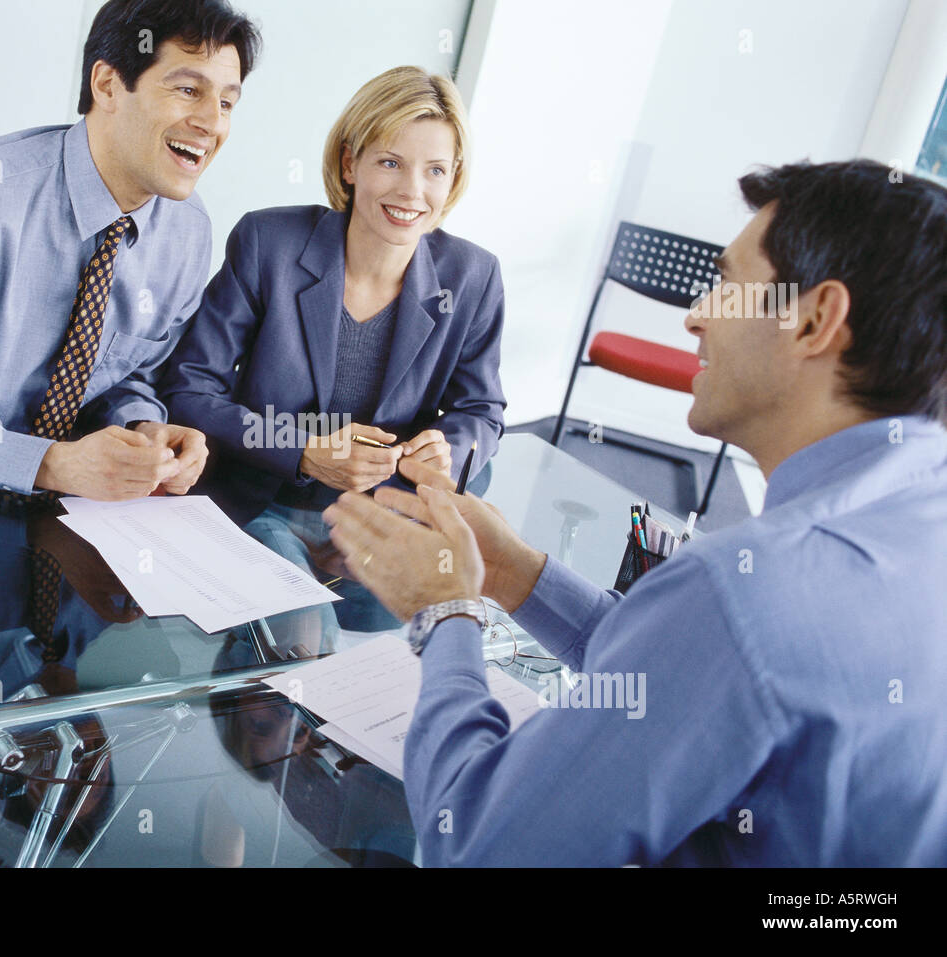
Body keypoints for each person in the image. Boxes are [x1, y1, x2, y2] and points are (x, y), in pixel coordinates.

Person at [322, 159, 947, 866]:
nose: (694, 316)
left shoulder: (741, 589)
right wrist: (516, 574)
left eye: (728, 286)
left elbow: (474, 846)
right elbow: (698, 673)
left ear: (815, 320)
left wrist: (447, 613)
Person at [0, 0, 261, 500]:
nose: (212, 123)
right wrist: (47, 463)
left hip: (63, 516)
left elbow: (126, 375)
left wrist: (142, 428)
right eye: (188, 90)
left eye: (227, 103)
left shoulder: (188, 231)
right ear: (107, 85)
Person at [161, 66, 505, 644]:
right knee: (304, 647)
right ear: (351, 164)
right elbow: (188, 392)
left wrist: (450, 449)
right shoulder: (268, 243)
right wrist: (302, 452)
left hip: (380, 520)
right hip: (264, 504)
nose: (411, 191)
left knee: (438, 634)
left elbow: (484, 411)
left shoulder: (473, 276)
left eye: (435, 170)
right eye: (390, 162)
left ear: (454, 181)